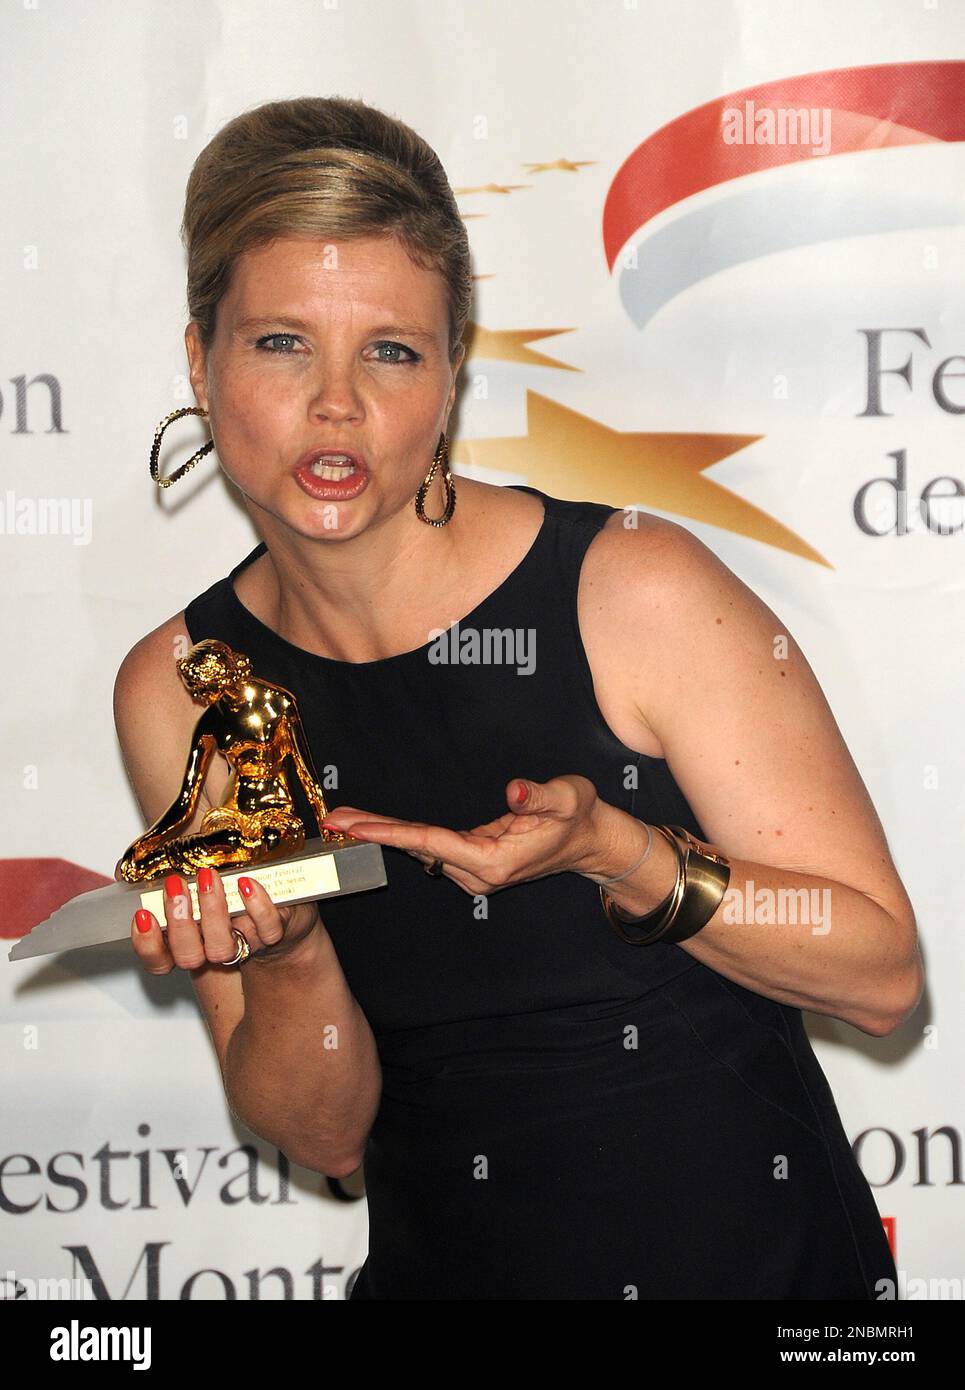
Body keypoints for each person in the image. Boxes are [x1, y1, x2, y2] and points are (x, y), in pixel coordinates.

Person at [113, 94, 922, 1301]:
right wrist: (284, 953)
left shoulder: (628, 589)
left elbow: (879, 974)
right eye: (281, 342)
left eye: (390, 348)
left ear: (448, 375)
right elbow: (324, 1136)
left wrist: (624, 855)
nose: (337, 403)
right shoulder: (186, 685)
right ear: (200, 358)